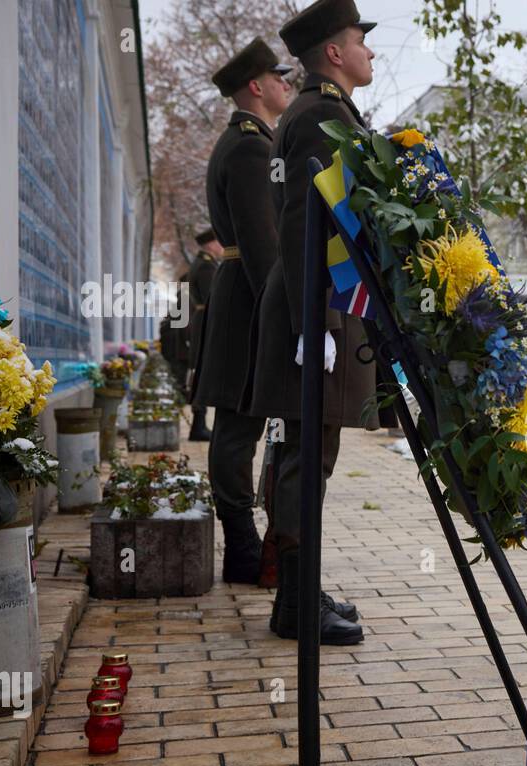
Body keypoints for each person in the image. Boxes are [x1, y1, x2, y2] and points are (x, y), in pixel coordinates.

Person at [242, 0, 380, 645]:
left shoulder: (323, 111)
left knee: (310, 453)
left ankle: (300, 587)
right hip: (311, 306)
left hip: (316, 303)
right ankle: (295, 601)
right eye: (361, 40)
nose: (370, 52)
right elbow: (302, 225)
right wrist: (310, 326)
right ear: (334, 52)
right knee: (304, 454)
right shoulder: (321, 114)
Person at [192, 38, 292, 584]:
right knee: (237, 427)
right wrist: (288, 313)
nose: (285, 85)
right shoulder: (252, 148)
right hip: (252, 301)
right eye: (278, 77)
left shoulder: (247, 141)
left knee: (240, 424)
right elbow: (263, 245)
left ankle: (245, 545)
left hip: (242, 296)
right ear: (256, 86)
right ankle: (242, 545)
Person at [183, 228, 220, 441]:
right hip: (206, 321)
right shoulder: (206, 266)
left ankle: (199, 424)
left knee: (199, 369)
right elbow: (212, 297)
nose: (221, 246)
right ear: (210, 244)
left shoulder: (203, 263)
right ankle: (198, 426)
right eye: (218, 242)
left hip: (201, 320)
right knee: (201, 370)